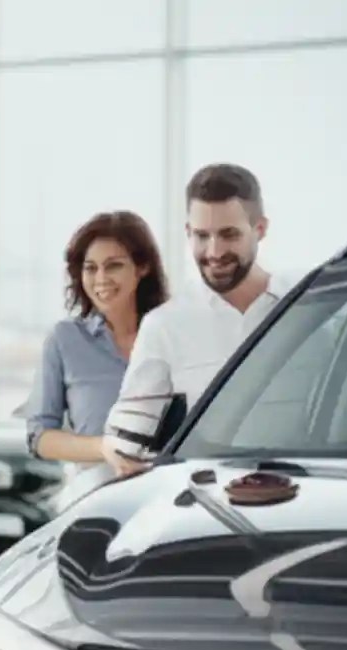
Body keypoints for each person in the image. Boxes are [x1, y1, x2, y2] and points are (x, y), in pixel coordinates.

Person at [101, 162, 297, 476]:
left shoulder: (304, 306)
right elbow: (127, 436)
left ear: (260, 229)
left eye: (229, 234)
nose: (214, 251)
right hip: (209, 502)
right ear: (188, 232)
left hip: (302, 492)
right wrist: (118, 449)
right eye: (202, 236)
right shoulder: (164, 326)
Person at [25, 210, 170, 482]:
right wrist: (104, 447)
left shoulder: (172, 336)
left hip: (167, 493)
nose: (100, 278)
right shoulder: (65, 339)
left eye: (113, 265)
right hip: (94, 493)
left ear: (142, 267)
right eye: (90, 268)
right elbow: (39, 436)